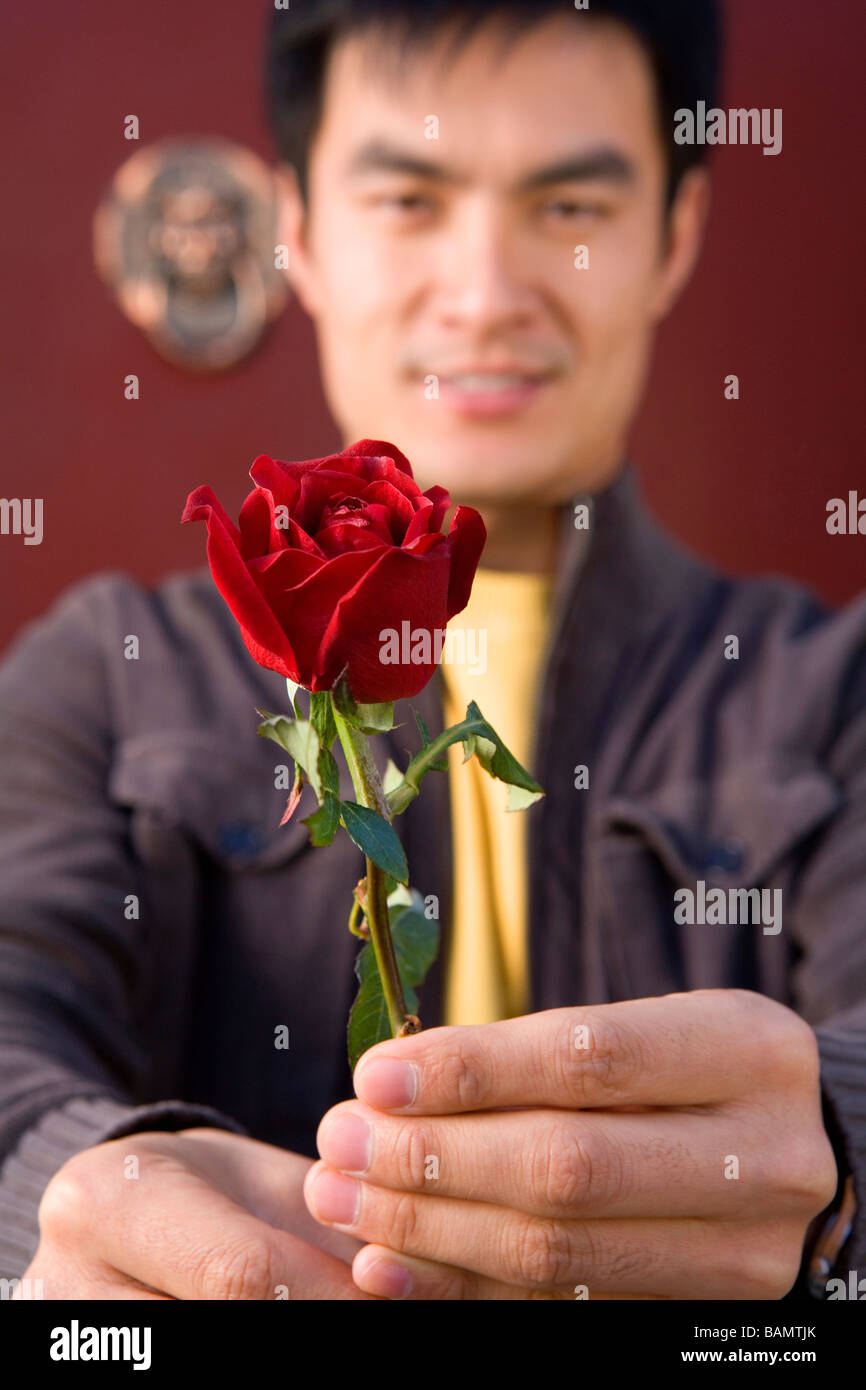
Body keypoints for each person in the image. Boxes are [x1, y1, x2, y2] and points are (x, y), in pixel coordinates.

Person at [0, 0, 862, 1301]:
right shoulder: (105, 675)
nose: (483, 294)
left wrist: (836, 1155)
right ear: (300, 233)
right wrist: (66, 1187)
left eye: (567, 209)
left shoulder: (832, 693)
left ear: (670, 239)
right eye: (408, 200)